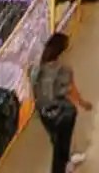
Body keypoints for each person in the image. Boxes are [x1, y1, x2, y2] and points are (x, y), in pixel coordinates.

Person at [33, 33, 92, 173]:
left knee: (57, 140)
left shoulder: (36, 69)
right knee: (61, 146)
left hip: (44, 113)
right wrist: (84, 104)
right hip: (62, 114)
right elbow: (71, 91)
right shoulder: (64, 70)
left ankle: (68, 160)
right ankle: (64, 166)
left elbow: (35, 91)